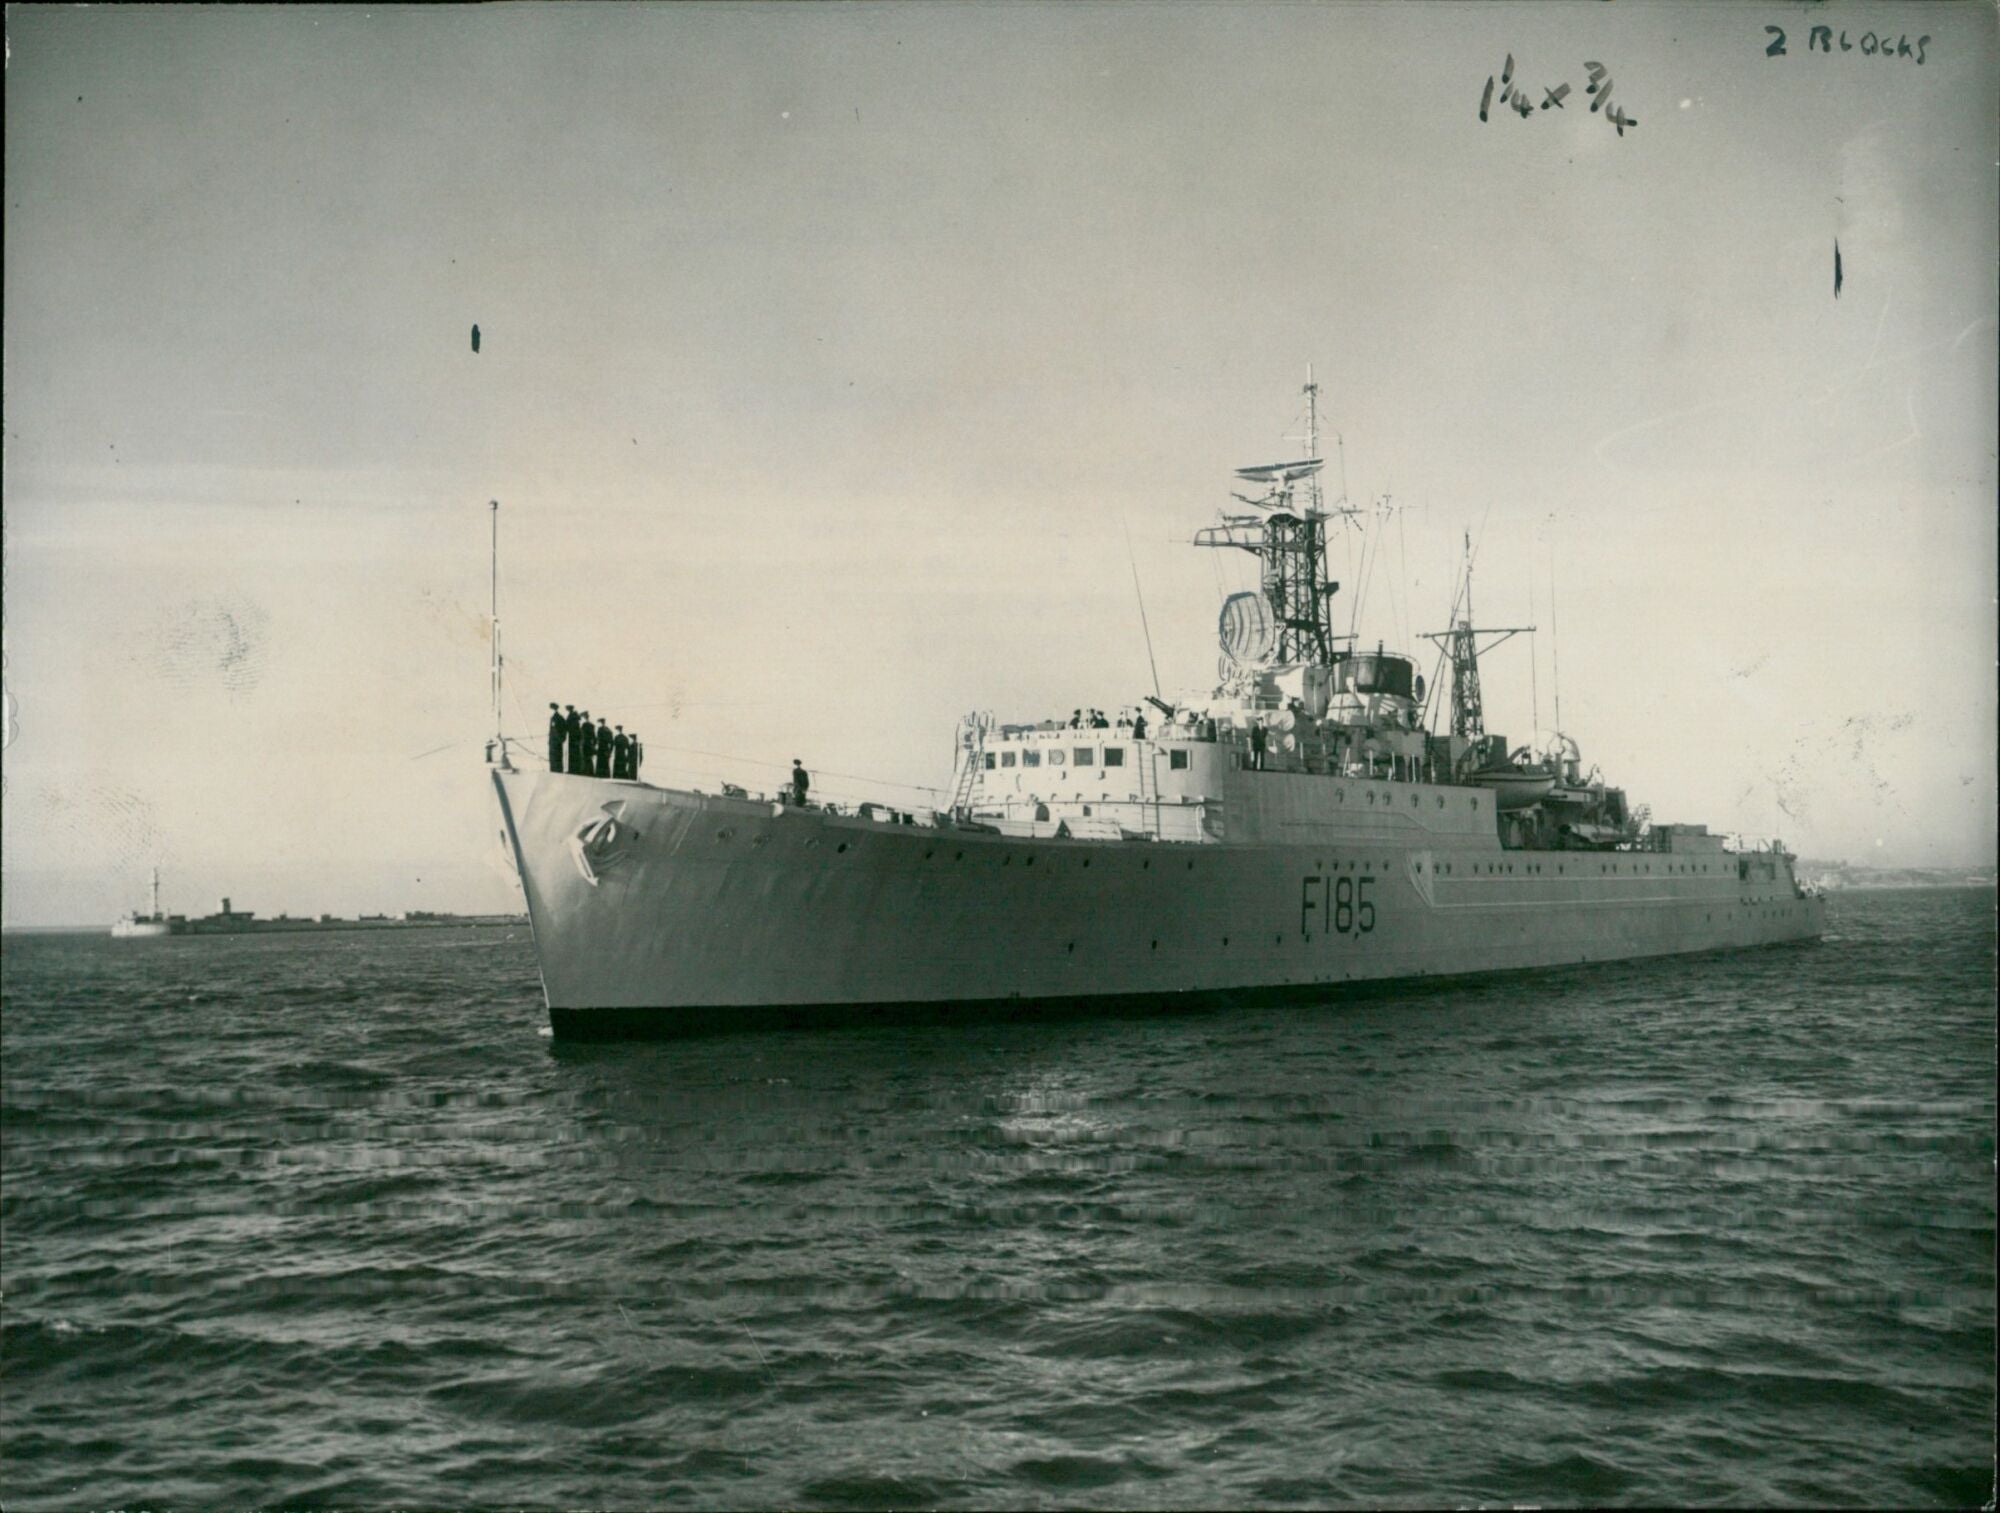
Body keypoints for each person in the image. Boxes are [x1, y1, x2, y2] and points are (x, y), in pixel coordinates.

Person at [576, 711, 595, 776]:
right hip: (589, 743)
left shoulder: (584, 725)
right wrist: (593, 745)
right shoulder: (592, 725)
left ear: (584, 717)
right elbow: (594, 737)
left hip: (584, 743)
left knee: (583, 757)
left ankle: (584, 772)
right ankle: (590, 772)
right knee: (589, 758)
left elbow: (581, 734)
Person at [548, 703, 566, 772]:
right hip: (558, 742)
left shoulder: (554, 718)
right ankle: (558, 771)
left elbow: (555, 730)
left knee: (554, 758)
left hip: (554, 742)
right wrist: (562, 739)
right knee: (558, 758)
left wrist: (559, 739)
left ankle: (554, 772)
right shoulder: (561, 717)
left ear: (552, 709)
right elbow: (564, 728)